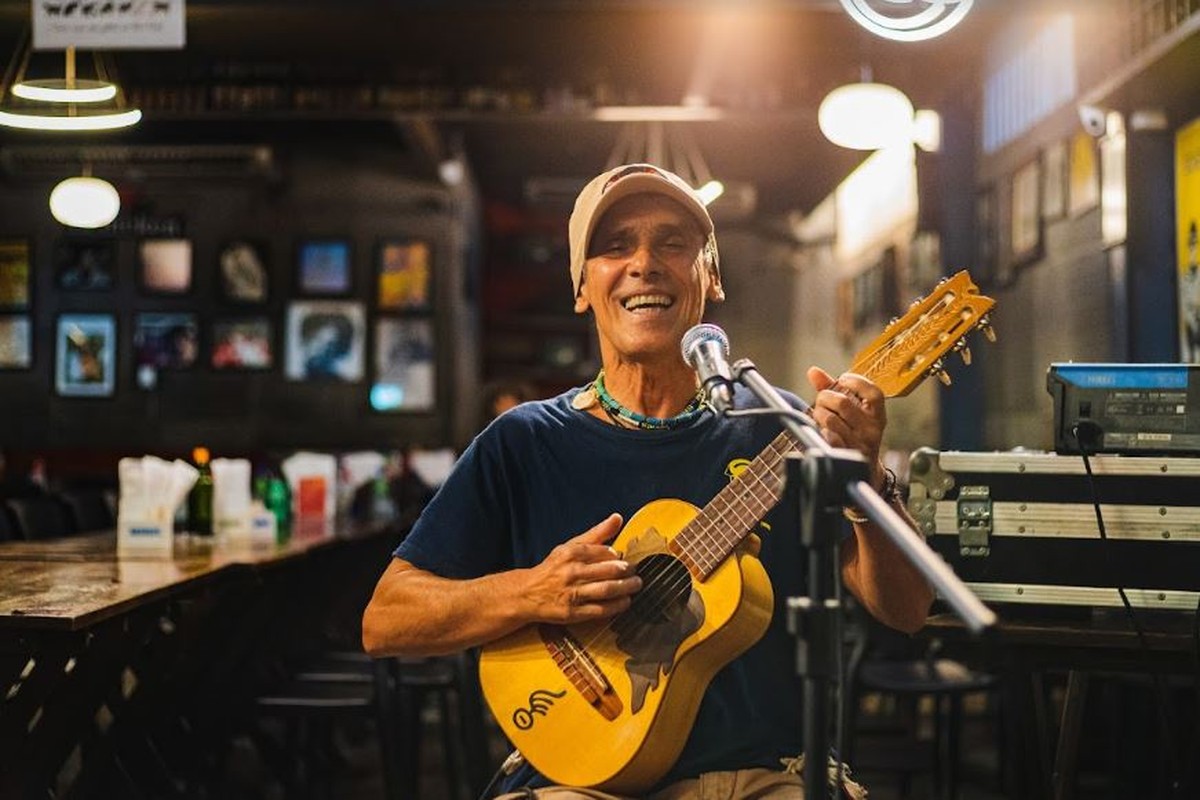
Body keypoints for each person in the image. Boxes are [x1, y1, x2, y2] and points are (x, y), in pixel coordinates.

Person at [362, 163, 934, 798]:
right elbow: (387, 620)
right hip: (580, 781)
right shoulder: (524, 441)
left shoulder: (789, 431)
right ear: (582, 286)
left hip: (771, 776)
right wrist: (531, 592)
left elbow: (907, 611)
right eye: (614, 247)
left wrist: (870, 475)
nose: (644, 263)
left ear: (710, 277)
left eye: (673, 243)